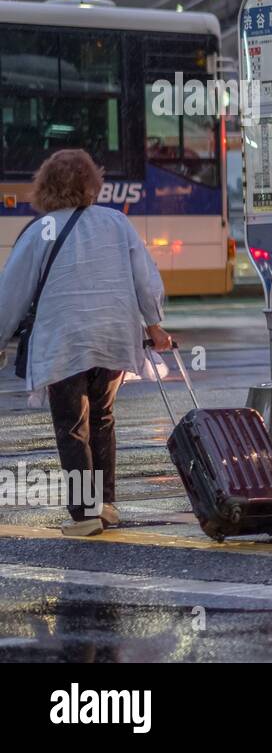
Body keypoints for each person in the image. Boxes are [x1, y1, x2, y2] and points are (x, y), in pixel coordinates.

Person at [0, 149, 171, 537]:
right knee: (103, 418)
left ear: (46, 187)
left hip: (65, 342)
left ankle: (86, 513)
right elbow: (146, 277)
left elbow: (12, 292)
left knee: (72, 426)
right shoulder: (116, 222)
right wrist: (155, 325)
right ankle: (106, 504)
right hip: (114, 337)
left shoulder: (41, 230)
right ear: (92, 183)